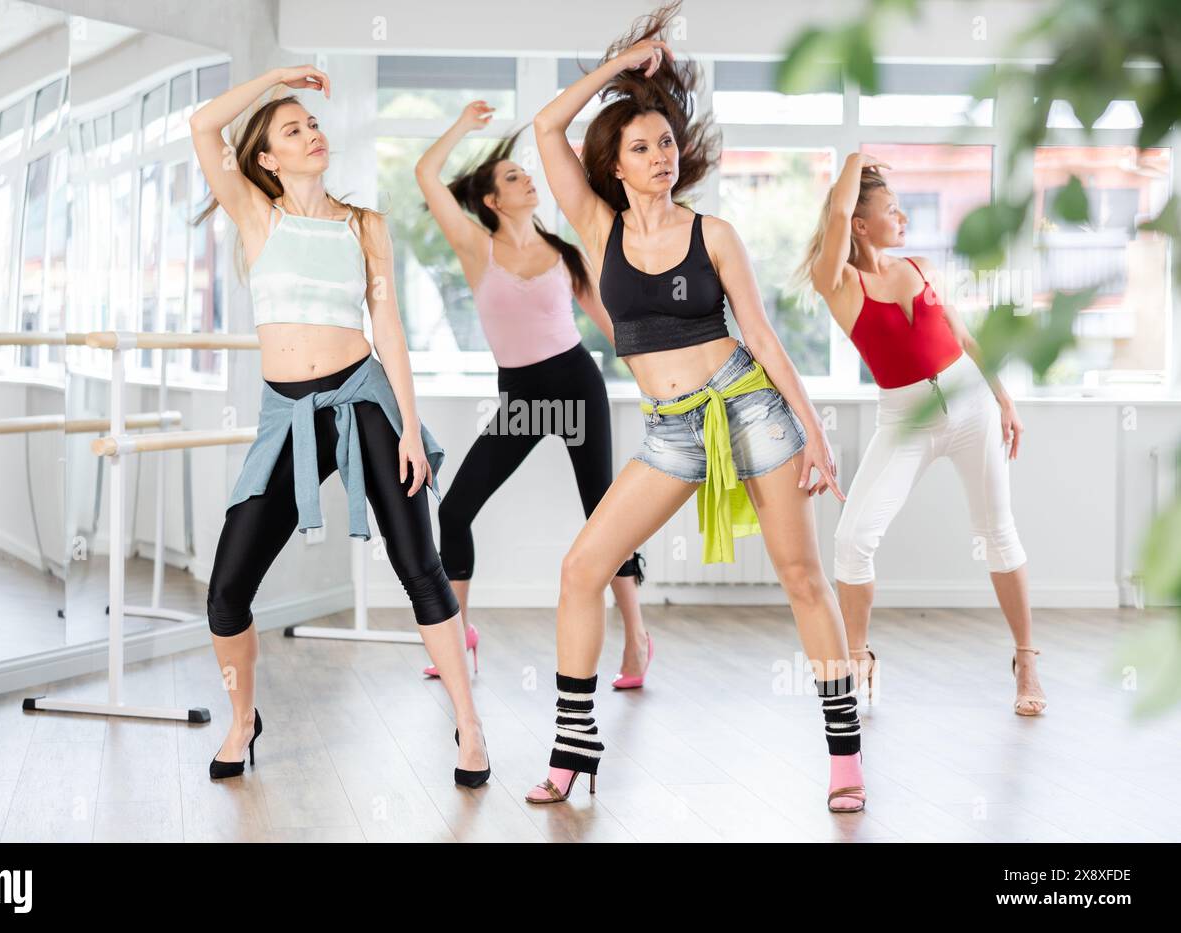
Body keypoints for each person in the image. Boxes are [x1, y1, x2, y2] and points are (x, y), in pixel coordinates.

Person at [526, 1, 866, 812]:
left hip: (748, 406)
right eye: (640, 147)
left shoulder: (714, 235)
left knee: (801, 578)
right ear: (613, 162)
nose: (659, 157)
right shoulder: (596, 226)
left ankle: (846, 757)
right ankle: (576, 742)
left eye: (667, 144)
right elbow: (545, 129)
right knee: (581, 568)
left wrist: (815, 435)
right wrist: (620, 67)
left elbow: (766, 338)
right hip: (670, 431)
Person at [189, 65, 490, 786]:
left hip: (364, 398)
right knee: (227, 589)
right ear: (267, 158)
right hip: (285, 412)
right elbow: (202, 128)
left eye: (314, 123)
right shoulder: (256, 216)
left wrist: (411, 429)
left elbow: (388, 326)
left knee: (419, 562)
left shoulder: (365, 226)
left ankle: (470, 723)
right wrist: (274, 81)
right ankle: (242, 719)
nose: (312, 134)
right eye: (294, 129)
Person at [799, 152, 1046, 717]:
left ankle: (1027, 660)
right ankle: (858, 656)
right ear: (860, 224)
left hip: (970, 405)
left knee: (997, 532)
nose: (904, 218)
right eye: (892, 209)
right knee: (853, 539)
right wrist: (856, 157)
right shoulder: (837, 280)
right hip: (905, 418)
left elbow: (963, 333)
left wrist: (1005, 399)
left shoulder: (920, 267)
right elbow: (836, 214)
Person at [414, 105, 650, 687]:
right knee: (455, 508)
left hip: (576, 385)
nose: (528, 180)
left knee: (602, 513)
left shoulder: (565, 254)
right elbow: (425, 173)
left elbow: (615, 327)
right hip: (520, 398)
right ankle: (457, 636)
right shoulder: (476, 247)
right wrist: (463, 124)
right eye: (514, 178)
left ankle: (638, 641)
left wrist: (664, 382)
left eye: (527, 174)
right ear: (493, 201)